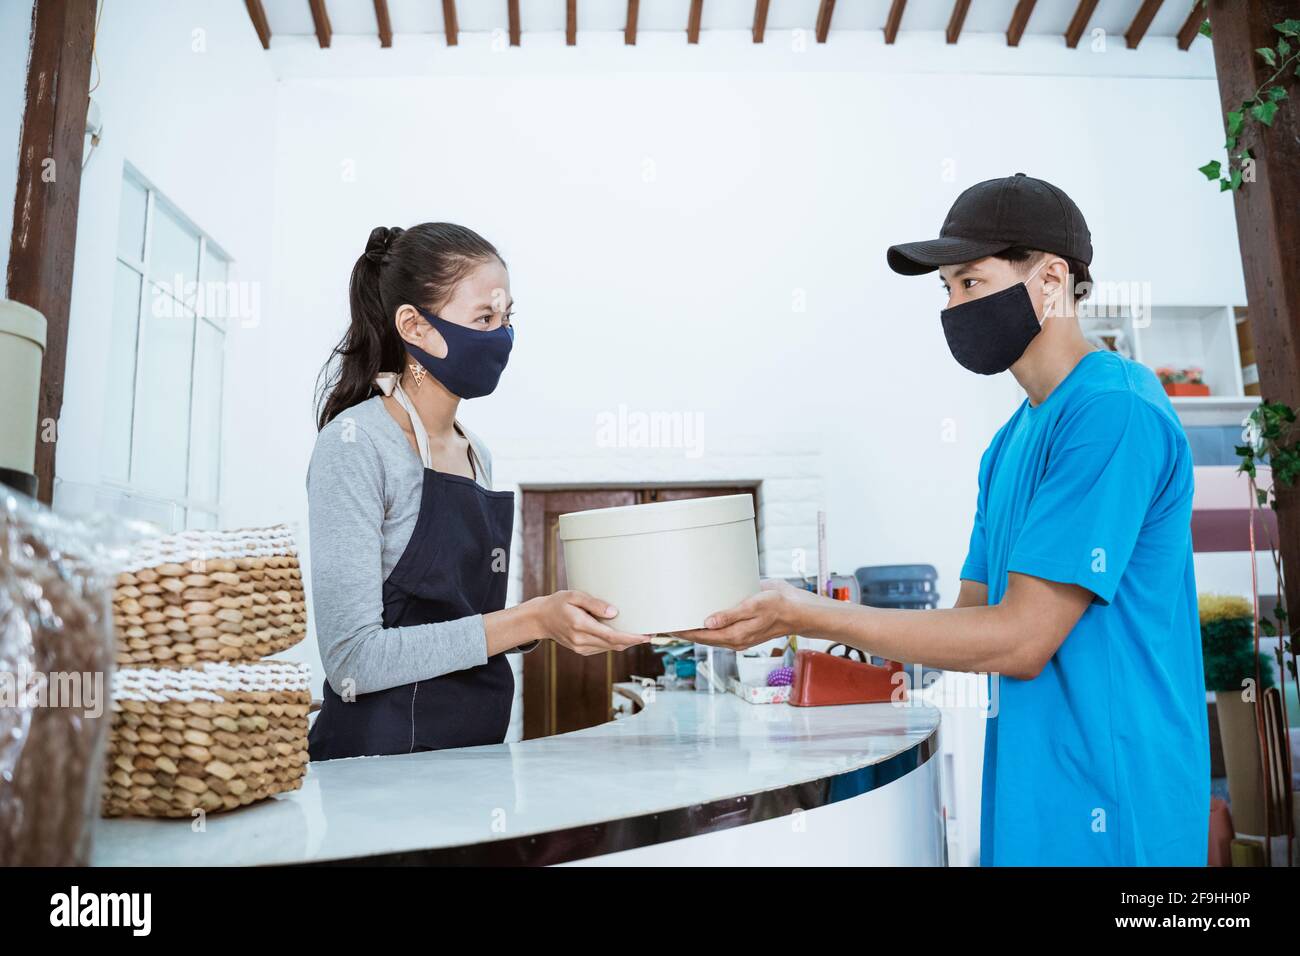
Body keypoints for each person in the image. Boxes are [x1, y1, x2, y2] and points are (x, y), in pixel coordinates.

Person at [685, 175, 1210, 866]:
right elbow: (974, 621)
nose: (956, 306)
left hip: (1116, 804)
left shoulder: (1113, 412)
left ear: (1052, 280)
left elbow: (1021, 639)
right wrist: (845, 669)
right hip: (1030, 795)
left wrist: (807, 613)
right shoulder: (1010, 443)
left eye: (971, 282)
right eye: (947, 290)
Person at [308, 222, 646, 760]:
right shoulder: (355, 444)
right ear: (414, 327)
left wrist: (551, 623)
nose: (501, 337)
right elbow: (353, 659)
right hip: (379, 768)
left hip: (475, 753)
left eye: (507, 318)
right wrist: (530, 619)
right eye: (484, 319)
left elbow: (461, 618)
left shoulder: (474, 452)